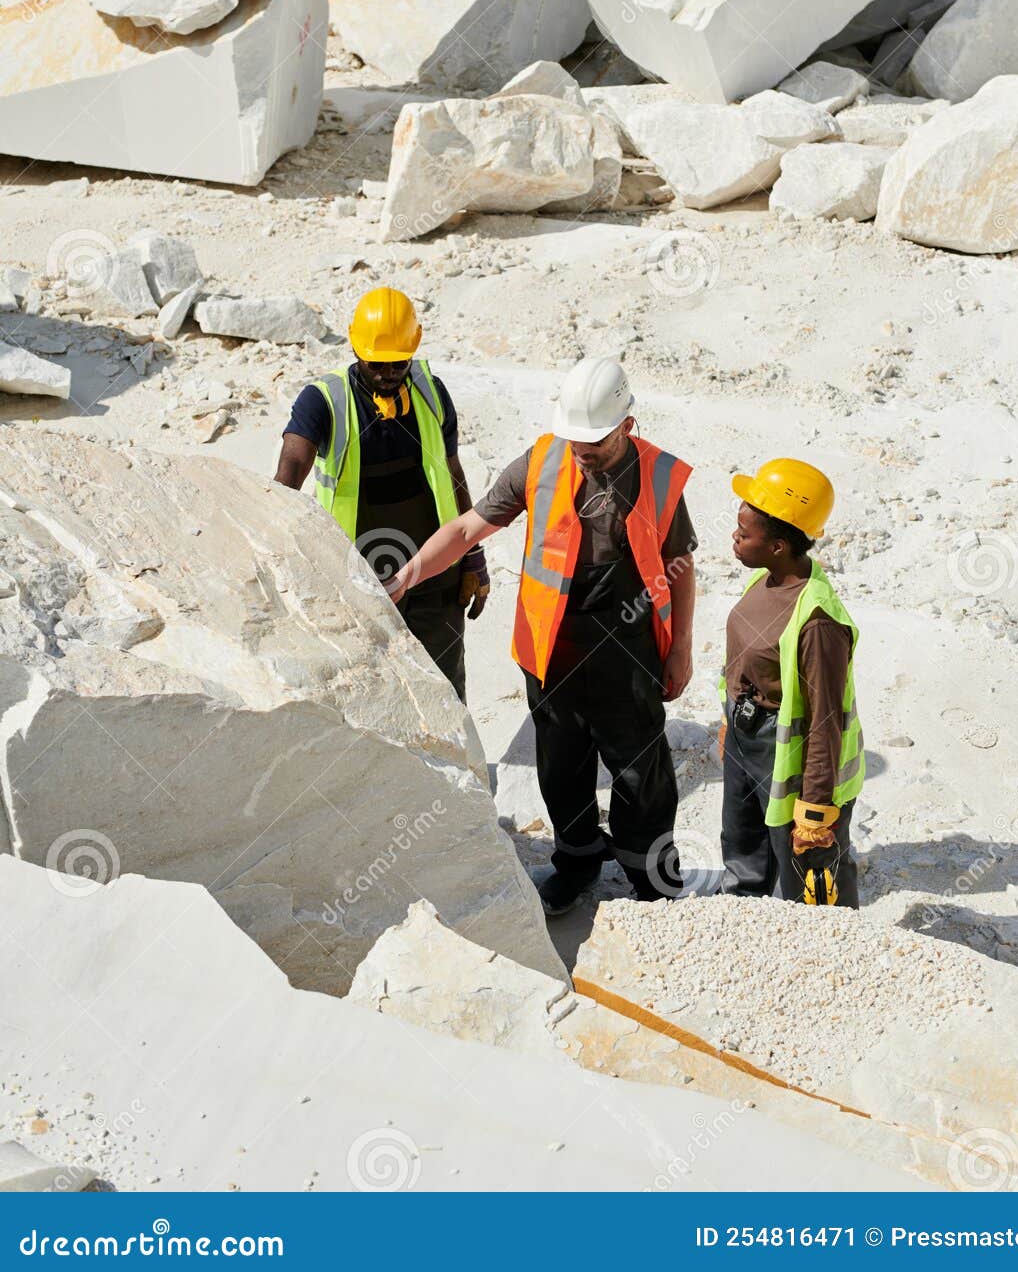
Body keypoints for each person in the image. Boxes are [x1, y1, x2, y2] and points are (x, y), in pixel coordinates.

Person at [386, 357, 697, 914]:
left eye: (595, 441)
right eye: (574, 436)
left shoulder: (658, 475)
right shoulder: (541, 461)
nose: (583, 450)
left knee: (640, 770)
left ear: (628, 424)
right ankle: (575, 864)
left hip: (629, 647)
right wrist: (407, 575)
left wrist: (680, 649)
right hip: (552, 645)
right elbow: (465, 528)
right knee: (561, 764)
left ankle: (652, 880)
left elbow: (680, 563)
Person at [273, 286, 488, 700]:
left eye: (398, 363)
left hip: (435, 571)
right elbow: (289, 475)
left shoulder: (431, 392)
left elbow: (453, 470)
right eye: (377, 364)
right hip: (358, 577)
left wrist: (473, 556)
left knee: (444, 685)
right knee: (373, 692)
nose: (389, 373)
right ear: (356, 349)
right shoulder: (323, 401)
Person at [718, 458, 864, 909]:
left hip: (793, 758)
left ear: (779, 545)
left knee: (810, 874)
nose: (735, 538)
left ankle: (829, 951)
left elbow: (825, 720)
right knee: (743, 849)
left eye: (745, 533)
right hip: (747, 739)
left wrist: (816, 808)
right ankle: (747, 922)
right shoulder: (765, 583)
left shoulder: (818, 620)